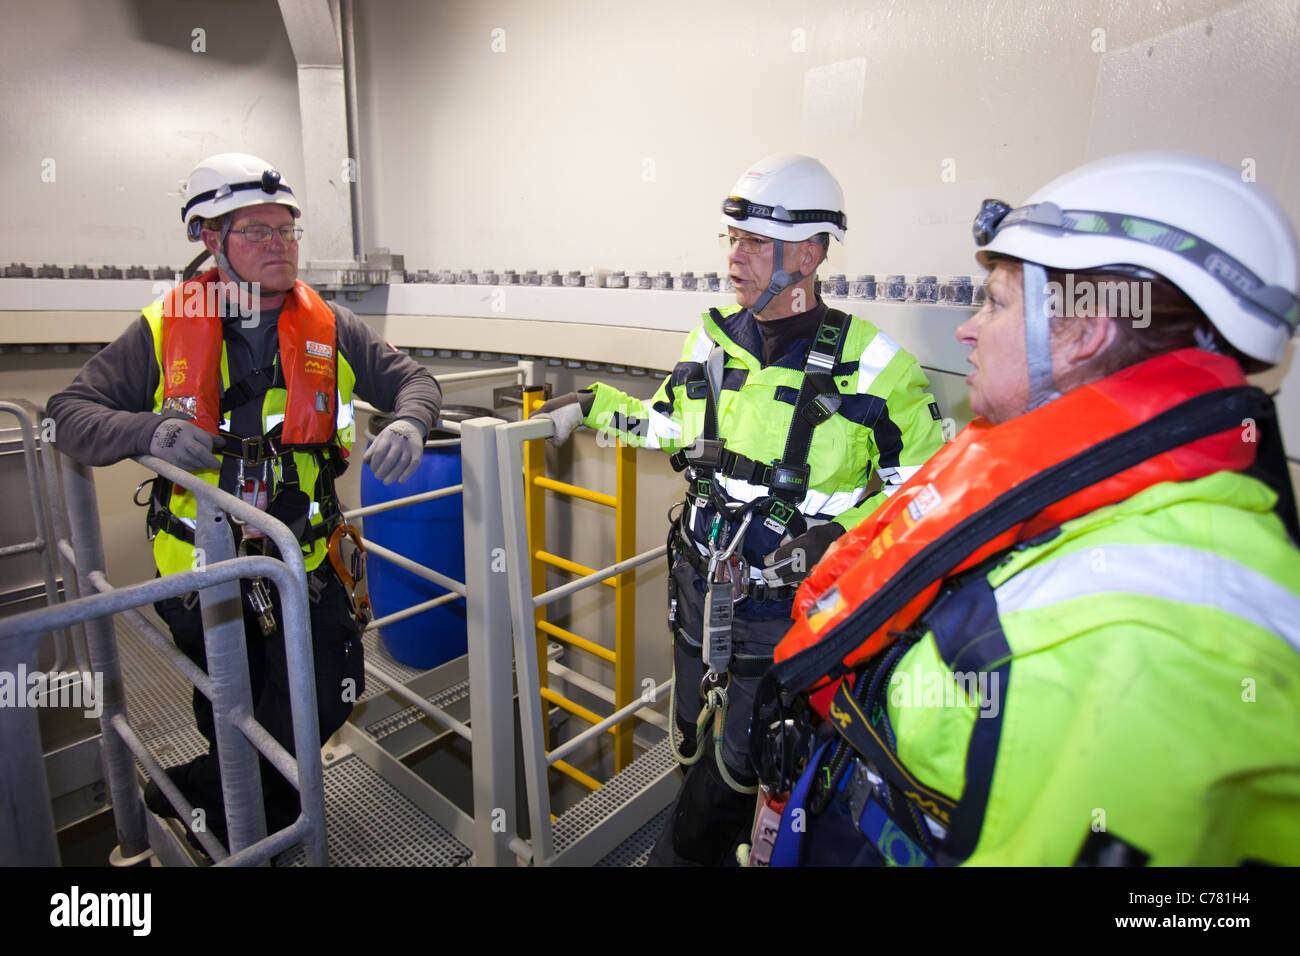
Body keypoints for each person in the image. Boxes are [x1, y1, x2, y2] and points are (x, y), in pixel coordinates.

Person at [753, 151, 1300, 866]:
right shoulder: (1095, 487)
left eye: (997, 303)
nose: (968, 330)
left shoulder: (1139, 640)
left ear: (1083, 332)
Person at [533, 153, 946, 866]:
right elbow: (670, 424)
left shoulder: (879, 370)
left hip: (787, 617)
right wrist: (591, 405)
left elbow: (928, 499)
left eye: (755, 243)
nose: (735, 258)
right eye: (732, 239)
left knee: (738, 775)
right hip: (697, 592)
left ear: (810, 253)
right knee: (692, 736)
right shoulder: (713, 340)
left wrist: (832, 539)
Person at [47, 153, 442, 855]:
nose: (279, 244)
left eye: (287, 229)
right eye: (256, 231)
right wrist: (150, 430)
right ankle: (247, 827)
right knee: (230, 715)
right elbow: (70, 411)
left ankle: (204, 803)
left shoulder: (332, 325)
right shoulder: (163, 329)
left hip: (304, 561)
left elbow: (411, 379)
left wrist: (410, 420)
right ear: (208, 238)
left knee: (330, 695)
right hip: (206, 576)